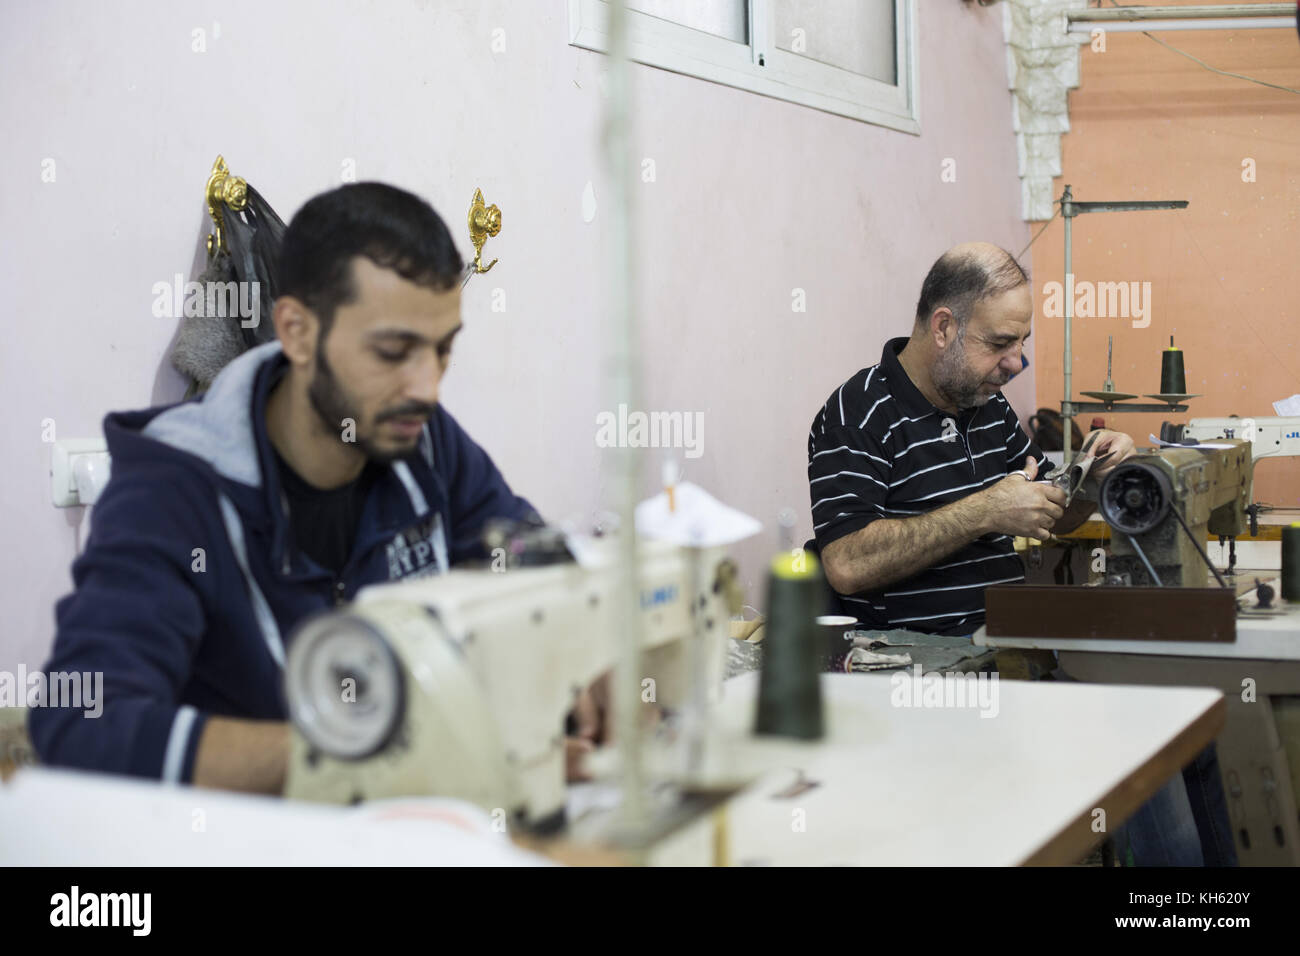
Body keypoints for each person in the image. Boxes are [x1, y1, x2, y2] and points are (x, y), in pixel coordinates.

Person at [29, 182, 590, 793]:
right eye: (393, 351)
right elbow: (82, 725)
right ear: (295, 331)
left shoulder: (422, 444)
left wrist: (590, 659)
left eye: (443, 350)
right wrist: (379, 756)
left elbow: (529, 560)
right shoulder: (172, 488)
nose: (428, 387)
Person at [809, 241, 1134, 633]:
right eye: (999, 343)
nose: (1015, 363)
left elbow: (1053, 513)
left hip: (1003, 644)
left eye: (1021, 342)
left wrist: (1092, 477)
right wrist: (984, 511)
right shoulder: (858, 413)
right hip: (914, 670)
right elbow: (846, 564)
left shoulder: (987, 405)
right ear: (944, 328)